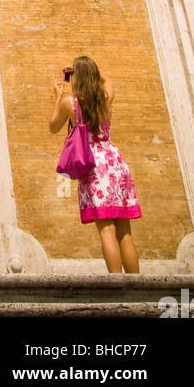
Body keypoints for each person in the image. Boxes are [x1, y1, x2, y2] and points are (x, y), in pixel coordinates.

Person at [49, 54, 141, 273]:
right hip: (115, 161)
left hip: (93, 166)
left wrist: (58, 95)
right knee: (124, 231)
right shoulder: (105, 98)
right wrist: (90, 70)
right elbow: (107, 81)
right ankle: (138, 287)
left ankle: (117, 286)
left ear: (75, 77)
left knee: (106, 230)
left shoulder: (70, 103)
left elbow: (53, 127)